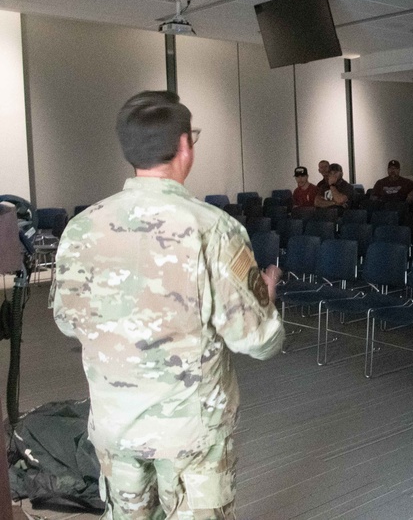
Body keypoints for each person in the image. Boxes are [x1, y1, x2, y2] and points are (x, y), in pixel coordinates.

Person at [50, 90, 284, 518]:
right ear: (184, 146)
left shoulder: (81, 229)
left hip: (115, 424)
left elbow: (68, 322)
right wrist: (264, 299)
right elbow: (260, 342)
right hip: (190, 436)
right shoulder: (214, 229)